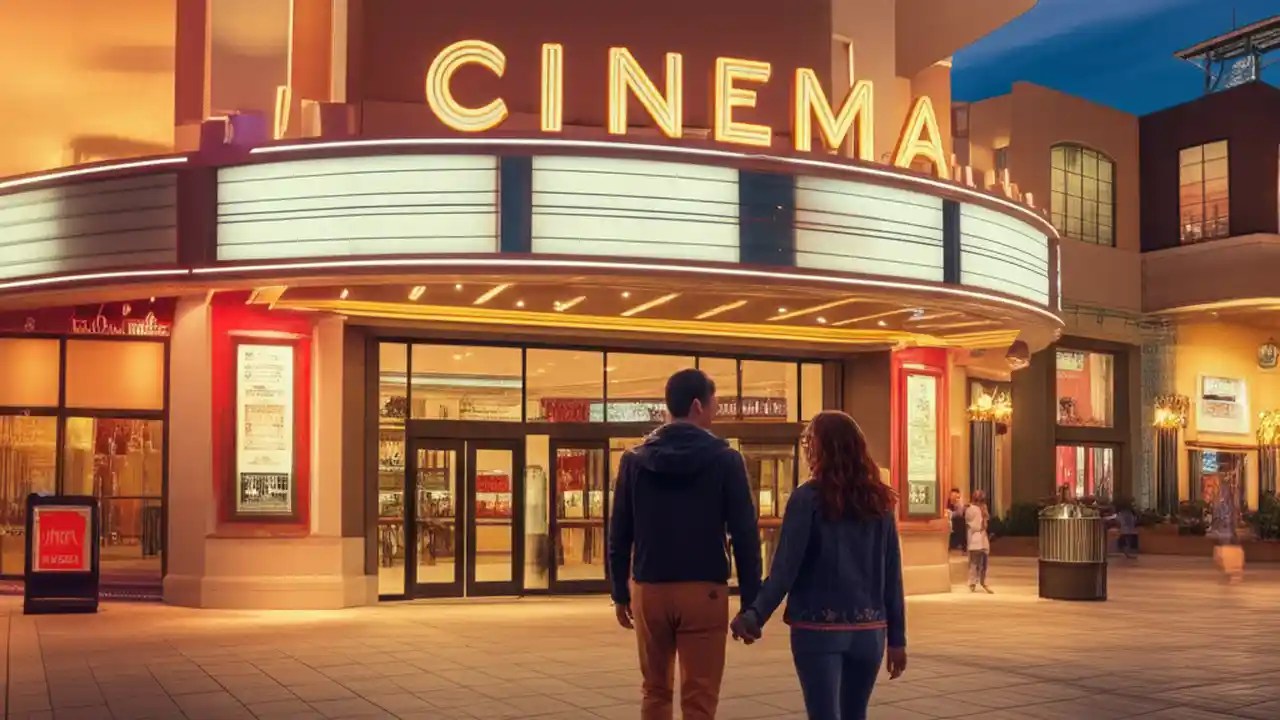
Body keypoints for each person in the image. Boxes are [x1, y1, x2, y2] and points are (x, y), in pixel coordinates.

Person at [729, 411, 907, 720]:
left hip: (817, 628)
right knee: (856, 714)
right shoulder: (880, 501)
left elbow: (786, 568)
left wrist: (755, 615)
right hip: (869, 631)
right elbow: (893, 574)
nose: (807, 449)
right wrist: (897, 639)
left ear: (822, 447)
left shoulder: (807, 499)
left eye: (809, 441)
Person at [608, 368, 762, 720]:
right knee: (700, 697)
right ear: (697, 405)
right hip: (704, 590)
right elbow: (744, 535)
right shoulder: (726, 460)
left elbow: (619, 533)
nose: (715, 412)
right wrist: (752, 603)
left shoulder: (633, 461)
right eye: (713, 404)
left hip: (650, 590)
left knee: (654, 690)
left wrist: (620, 591)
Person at [965, 490, 993, 593]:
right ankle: (982, 582)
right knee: (982, 563)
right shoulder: (981, 510)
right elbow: (984, 525)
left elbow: (968, 523)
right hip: (981, 538)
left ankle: (973, 583)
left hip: (974, 538)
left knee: (974, 562)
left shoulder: (970, 509)